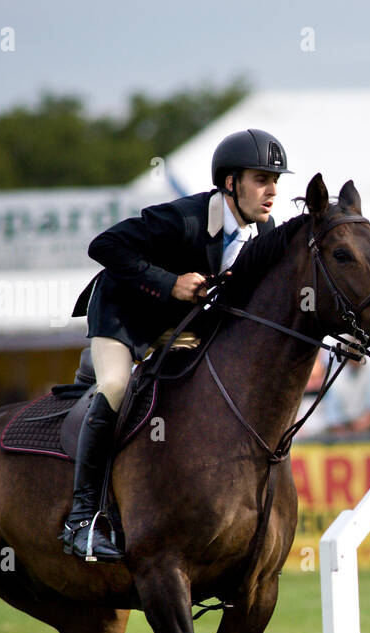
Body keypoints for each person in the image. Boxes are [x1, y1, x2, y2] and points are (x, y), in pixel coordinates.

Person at [66, 129, 296, 561]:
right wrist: (170, 283)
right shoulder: (185, 218)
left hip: (180, 329)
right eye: (261, 179)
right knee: (115, 387)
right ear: (231, 183)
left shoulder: (265, 232)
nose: (272, 191)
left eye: (276, 181)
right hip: (125, 318)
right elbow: (104, 246)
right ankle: (82, 521)